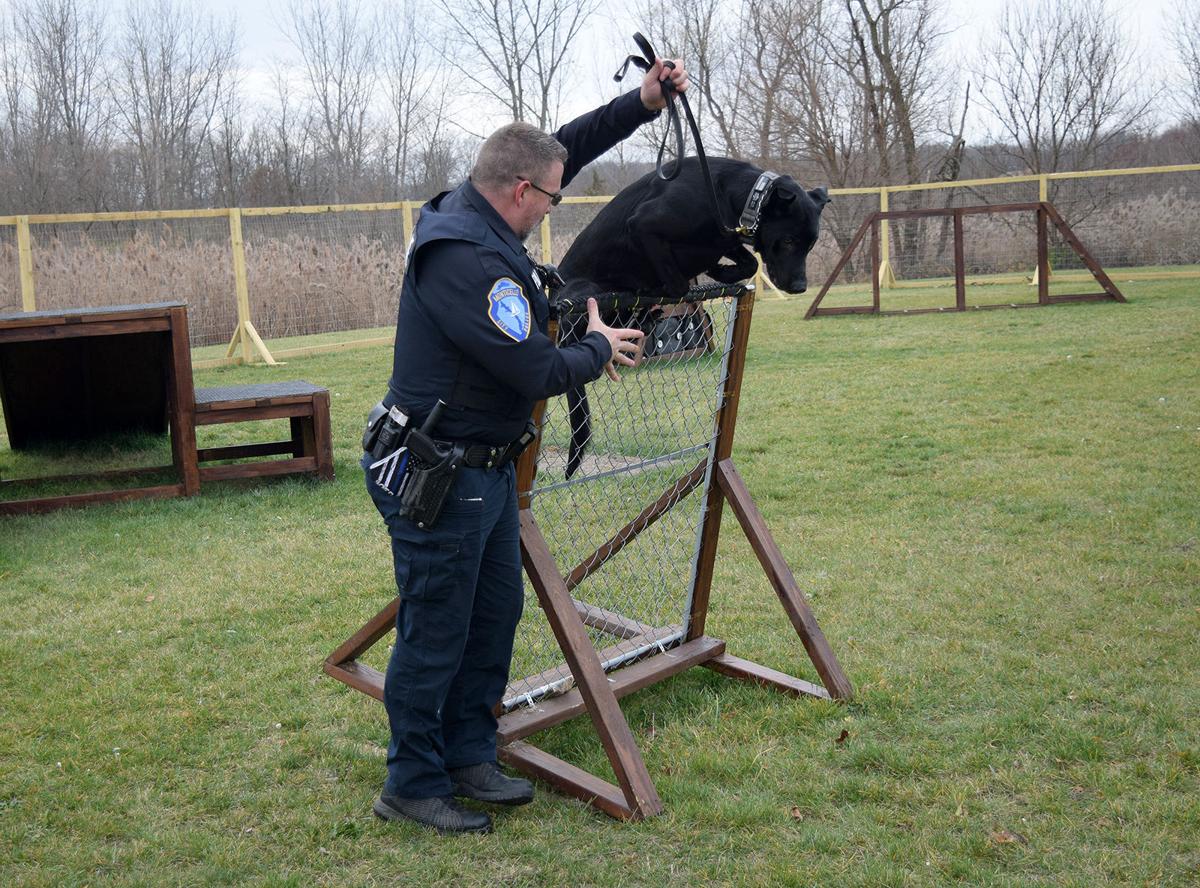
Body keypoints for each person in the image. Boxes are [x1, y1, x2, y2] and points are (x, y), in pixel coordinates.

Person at [362, 57, 690, 834]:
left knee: (492, 616)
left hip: (483, 470)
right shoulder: (467, 259)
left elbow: (559, 146)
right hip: (438, 472)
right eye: (551, 197)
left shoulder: (482, 212)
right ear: (520, 193)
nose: (554, 206)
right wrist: (600, 349)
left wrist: (640, 104)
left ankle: (470, 754)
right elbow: (536, 367)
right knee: (436, 632)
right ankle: (410, 782)